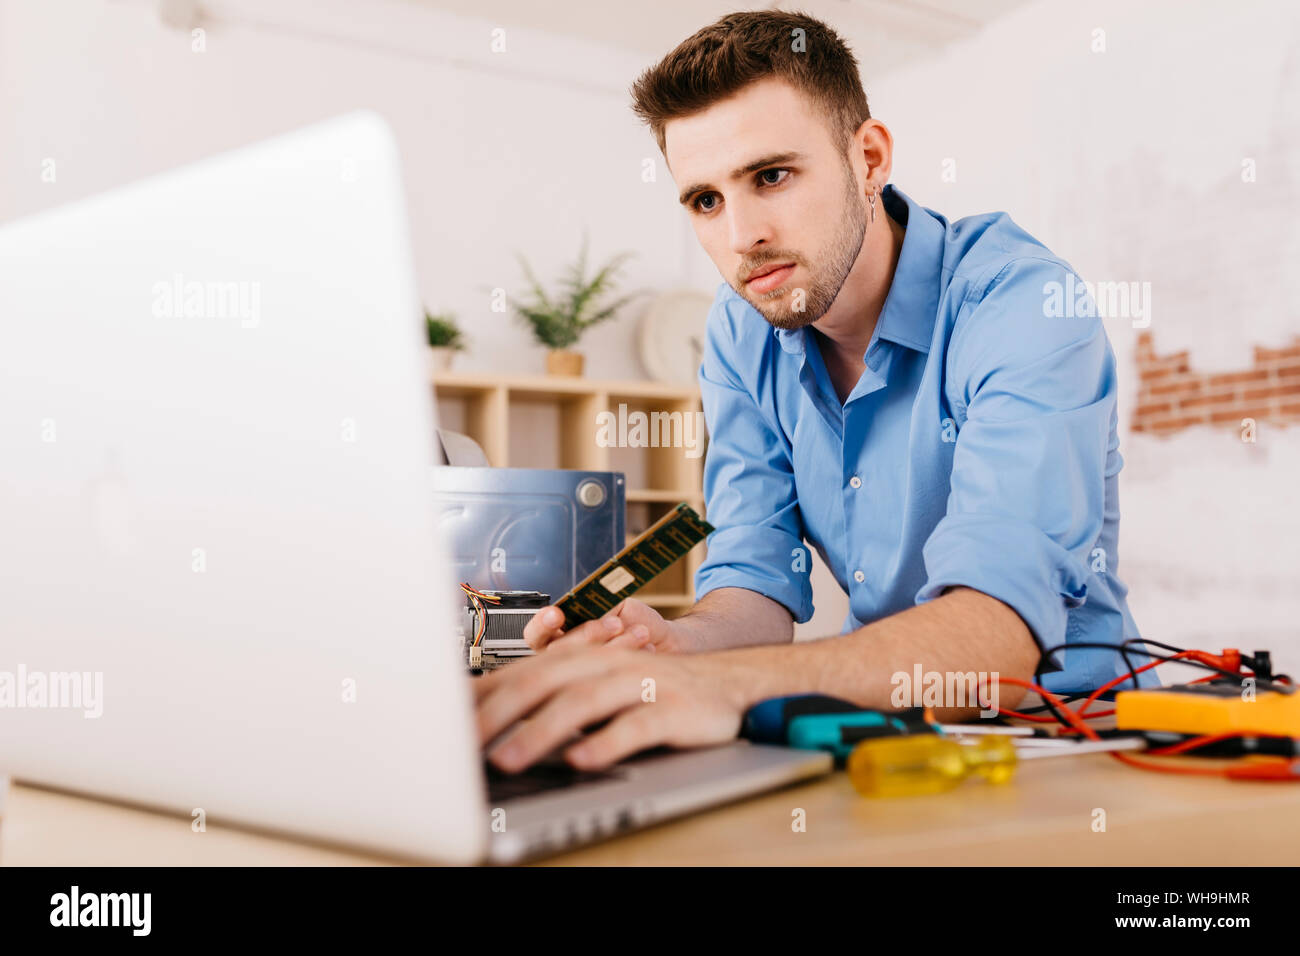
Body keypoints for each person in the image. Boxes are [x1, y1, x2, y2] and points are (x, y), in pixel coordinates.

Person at [475, 10, 1148, 774]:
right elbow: (753, 580)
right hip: (897, 739)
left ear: (868, 159)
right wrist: (673, 647)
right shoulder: (740, 331)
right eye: (706, 200)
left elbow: (1000, 631)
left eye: (771, 176)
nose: (741, 236)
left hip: (1080, 746)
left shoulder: (1019, 302)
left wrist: (717, 685)